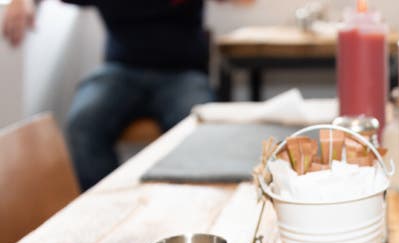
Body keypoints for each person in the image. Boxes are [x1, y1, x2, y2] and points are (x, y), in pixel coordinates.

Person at [2, 0, 253, 191]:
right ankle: (107, 209)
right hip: (120, 71)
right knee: (83, 124)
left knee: (197, 131)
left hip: (183, 74)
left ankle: (184, 216)